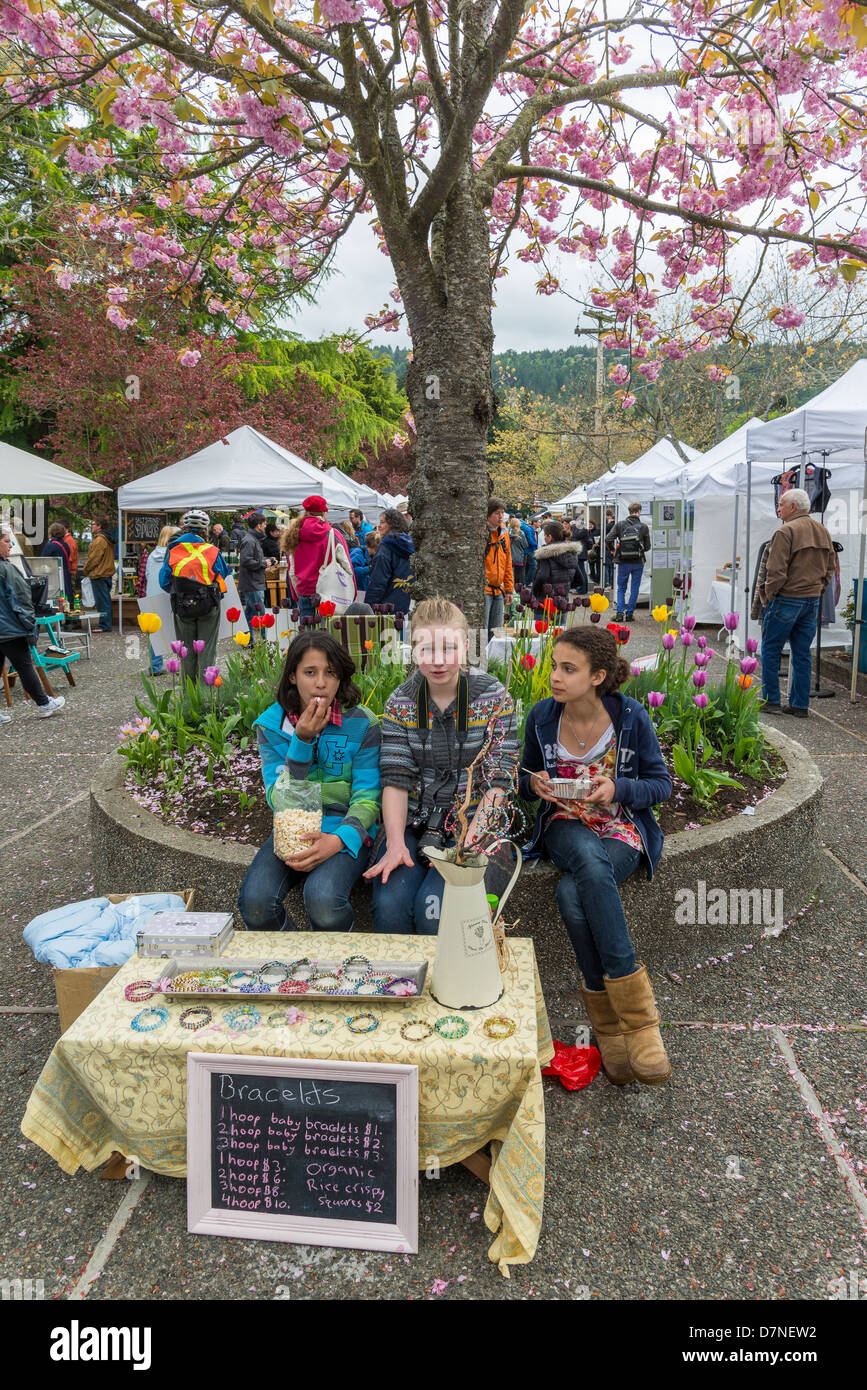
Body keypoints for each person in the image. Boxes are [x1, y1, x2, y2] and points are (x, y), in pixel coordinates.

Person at [519, 626, 672, 1084]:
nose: (555, 677)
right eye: (554, 666)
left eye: (569, 669)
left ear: (598, 675)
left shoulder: (630, 717)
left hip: (621, 829)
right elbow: (522, 779)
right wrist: (533, 784)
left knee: (571, 894)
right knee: (585, 857)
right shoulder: (542, 717)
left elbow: (660, 785)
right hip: (564, 826)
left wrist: (617, 788)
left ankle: (610, 1028)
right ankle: (642, 1022)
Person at [364, 598, 518, 934]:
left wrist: (467, 849)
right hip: (417, 824)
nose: (437, 660)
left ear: (466, 647)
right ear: (413, 649)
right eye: (426, 648)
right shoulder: (401, 702)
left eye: (448, 648)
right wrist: (394, 843)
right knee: (389, 904)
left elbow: (498, 782)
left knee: (434, 909)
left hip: (473, 825)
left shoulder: (493, 698)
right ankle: (402, 983)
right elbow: (395, 779)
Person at [238, 631, 381, 931]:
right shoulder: (273, 726)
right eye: (310, 672)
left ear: (341, 677)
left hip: (345, 830)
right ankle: (294, 964)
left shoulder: (363, 723)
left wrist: (337, 840)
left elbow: (367, 798)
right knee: (256, 902)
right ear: (292, 676)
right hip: (293, 828)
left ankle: (339, 963)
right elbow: (279, 799)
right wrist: (301, 739)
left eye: (330, 673)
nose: (321, 683)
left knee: (323, 899)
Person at [758, 486, 836, 718]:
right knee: (802, 654)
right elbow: (830, 567)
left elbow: (776, 571)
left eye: (782, 504)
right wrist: (818, 588)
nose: (778, 507)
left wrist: (770, 595)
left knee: (771, 650)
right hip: (812, 600)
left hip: (787, 599)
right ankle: (800, 705)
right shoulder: (822, 530)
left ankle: (772, 700)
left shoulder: (785, 532)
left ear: (794, 507)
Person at [0, 528, 65, 721]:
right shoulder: (6, 568)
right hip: (10, 628)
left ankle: (44, 702)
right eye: (5, 541)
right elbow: (21, 598)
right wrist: (30, 624)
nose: (10, 545)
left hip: (5, 627)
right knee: (24, 665)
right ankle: (44, 703)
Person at [159, 508, 229, 683]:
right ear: (206, 530)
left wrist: (180, 592)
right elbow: (224, 572)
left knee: (186, 652)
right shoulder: (212, 550)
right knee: (207, 652)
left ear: (184, 528)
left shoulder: (173, 548)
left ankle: (188, 697)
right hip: (208, 605)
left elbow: (164, 580)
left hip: (182, 606)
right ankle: (205, 700)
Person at [282, 495, 355, 618]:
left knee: (307, 635)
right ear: (324, 512)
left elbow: (292, 571)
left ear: (306, 511)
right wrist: (350, 592)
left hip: (305, 592)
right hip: (330, 593)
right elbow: (347, 567)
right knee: (328, 634)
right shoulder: (333, 534)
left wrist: (297, 594)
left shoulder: (294, 535)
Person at [606, 501, 650, 622]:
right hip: (638, 561)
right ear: (639, 511)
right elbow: (648, 547)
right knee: (635, 587)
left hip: (623, 560)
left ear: (629, 511)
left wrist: (613, 550)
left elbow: (608, 538)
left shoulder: (620, 525)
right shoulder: (643, 527)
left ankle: (619, 614)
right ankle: (630, 614)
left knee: (621, 588)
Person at [144, 524, 179, 675]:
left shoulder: (152, 555)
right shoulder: (175, 555)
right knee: (179, 630)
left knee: (155, 633)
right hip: (170, 594)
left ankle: (155, 666)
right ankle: (180, 665)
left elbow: (147, 575)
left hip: (152, 596)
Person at [366, 509, 415, 613]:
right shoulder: (409, 544)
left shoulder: (386, 546)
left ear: (392, 524)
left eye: (382, 522)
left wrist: (368, 607)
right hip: (403, 604)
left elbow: (378, 580)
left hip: (384, 607)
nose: (379, 525)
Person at [532, 520, 585, 610]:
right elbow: (580, 580)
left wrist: (535, 592)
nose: (544, 538)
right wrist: (565, 587)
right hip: (562, 602)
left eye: (545, 535)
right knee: (560, 624)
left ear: (550, 537)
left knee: (542, 624)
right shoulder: (572, 553)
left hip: (545, 602)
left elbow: (542, 576)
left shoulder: (546, 553)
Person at [484, 497, 514, 638]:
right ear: (488, 514)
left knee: (497, 633)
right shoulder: (482, 534)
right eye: (497, 513)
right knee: (481, 632)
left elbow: (508, 564)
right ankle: (480, 659)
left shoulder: (504, 535)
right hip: (484, 590)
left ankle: (493, 660)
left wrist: (509, 589)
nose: (501, 516)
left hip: (498, 590)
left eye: (502, 512)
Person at [83, 515, 116, 633]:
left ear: (99, 526)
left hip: (99, 573)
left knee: (103, 601)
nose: (91, 526)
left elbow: (94, 558)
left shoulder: (100, 540)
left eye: (93, 524)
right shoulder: (107, 538)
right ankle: (105, 624)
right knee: (105, 600)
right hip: (105, 572)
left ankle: (104, 625)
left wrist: (86, 569)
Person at [238, 512, 268, 639]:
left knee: (251, 612)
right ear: (259, 525)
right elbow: (246, 561)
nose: (266, 526)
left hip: (254, 581)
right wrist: (263, 563)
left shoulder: (252, 539)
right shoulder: (249, 540)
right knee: (258, 612)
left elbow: (252, 558)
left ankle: (248, 639)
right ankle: (263, 639)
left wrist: (267, 560)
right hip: (252, 583)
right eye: (264, 524)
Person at [42, 522, 74, 603]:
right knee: (67, 596)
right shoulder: (65, 545)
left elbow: (43, 561)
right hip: (65, 573)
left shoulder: (50, 546)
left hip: (54, 576)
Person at [507, 516, 528, 590]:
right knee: (520, 574)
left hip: (509, 557)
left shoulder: (507, 533)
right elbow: (525, 546)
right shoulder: (521, 533)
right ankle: (519, 589)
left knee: (510, 574)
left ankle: (511, 589)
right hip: (519, 557)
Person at [520, 515, 539, 585]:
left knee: (529, 566)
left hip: (530, 550)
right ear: (534, 523)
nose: (540, 524)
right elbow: (530, 541)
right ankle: (527, 581)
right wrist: (536, 545)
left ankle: (526, 581)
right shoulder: (530, 530)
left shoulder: (532, 530)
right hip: (530, 550)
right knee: (533, 565)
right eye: (539, 522)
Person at [604, 509, 616, 589]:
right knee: (612, 566)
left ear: (608, 516)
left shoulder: (608, 526)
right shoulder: (616, 523)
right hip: (614, 546)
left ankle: (608, 582)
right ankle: (612, 583)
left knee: (608, 566)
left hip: (609, 547)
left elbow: (607, 538)